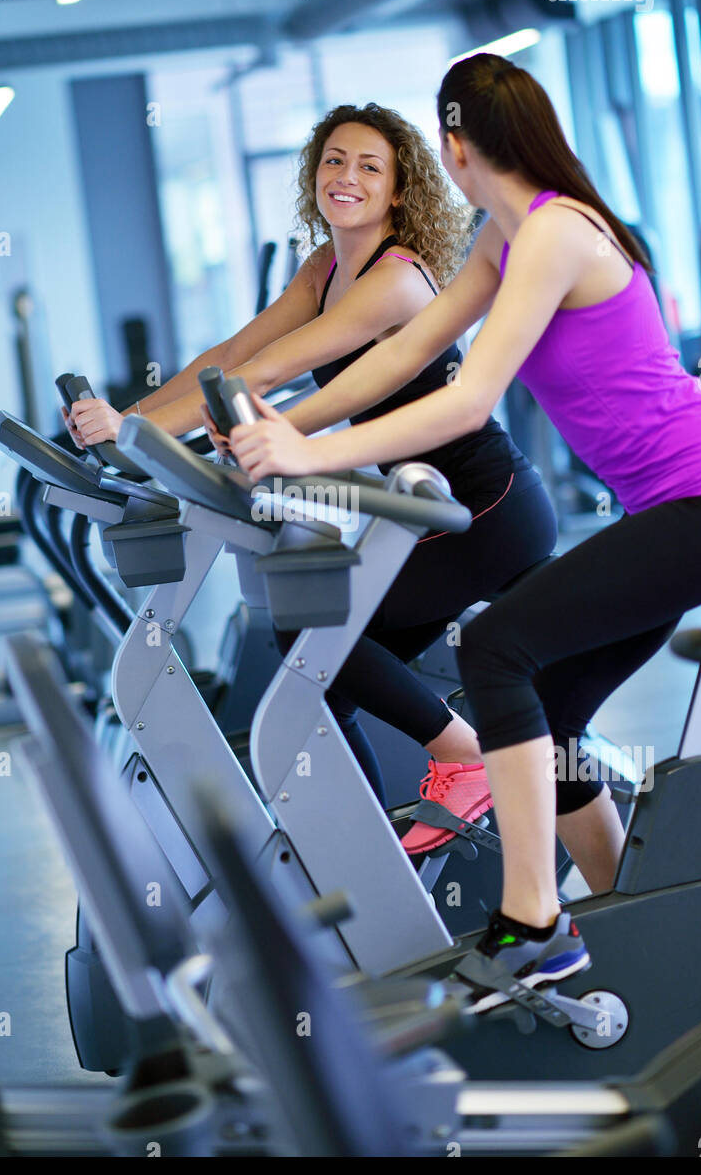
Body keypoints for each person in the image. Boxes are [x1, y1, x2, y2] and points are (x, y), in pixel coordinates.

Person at [229, 53, 701, 1010]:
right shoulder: (504, 242)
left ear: (458, 147)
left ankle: (534, 926)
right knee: (547, 697)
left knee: (498, 645)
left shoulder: (552, 235)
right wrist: (285, 430)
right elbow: (409, 355)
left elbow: (466, 400)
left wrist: (306, 456)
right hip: (675, 512)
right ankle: (633, 915)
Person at [66, 103, 557, 840]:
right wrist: (126, 416)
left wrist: (137, 431)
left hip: (485, 506)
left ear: (398, 191)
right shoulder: (324, 265)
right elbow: (230, 354)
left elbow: (269, 371)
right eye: (333, 160)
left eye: (368, 166)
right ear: (313, 173)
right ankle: (362, 852)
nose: (346, 176)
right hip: (421, 505)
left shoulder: (394, 280)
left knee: (318, 631)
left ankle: (462, 757)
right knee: (313, 676)